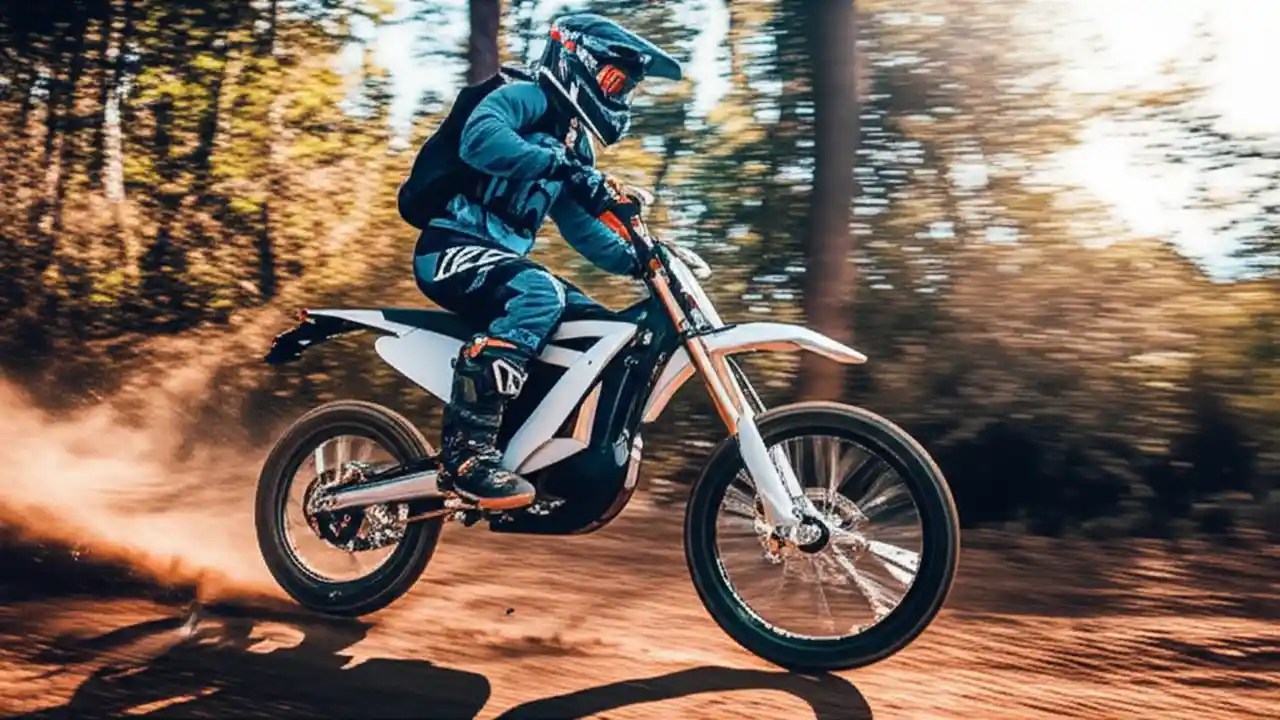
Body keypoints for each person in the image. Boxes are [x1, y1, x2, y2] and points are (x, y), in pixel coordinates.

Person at [411, 13, 683, 511]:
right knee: (540, 292)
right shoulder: (523, 97)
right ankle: (467, 454)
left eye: (626, 87)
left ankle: (541, 454)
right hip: (449, 248)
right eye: (613, 79)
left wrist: (642, 261)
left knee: (598, 328)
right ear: (576, 59)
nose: (618, 95)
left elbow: (583, 231)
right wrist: (560, 165)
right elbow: (481, 140)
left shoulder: (576, 146)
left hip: (498, 263)